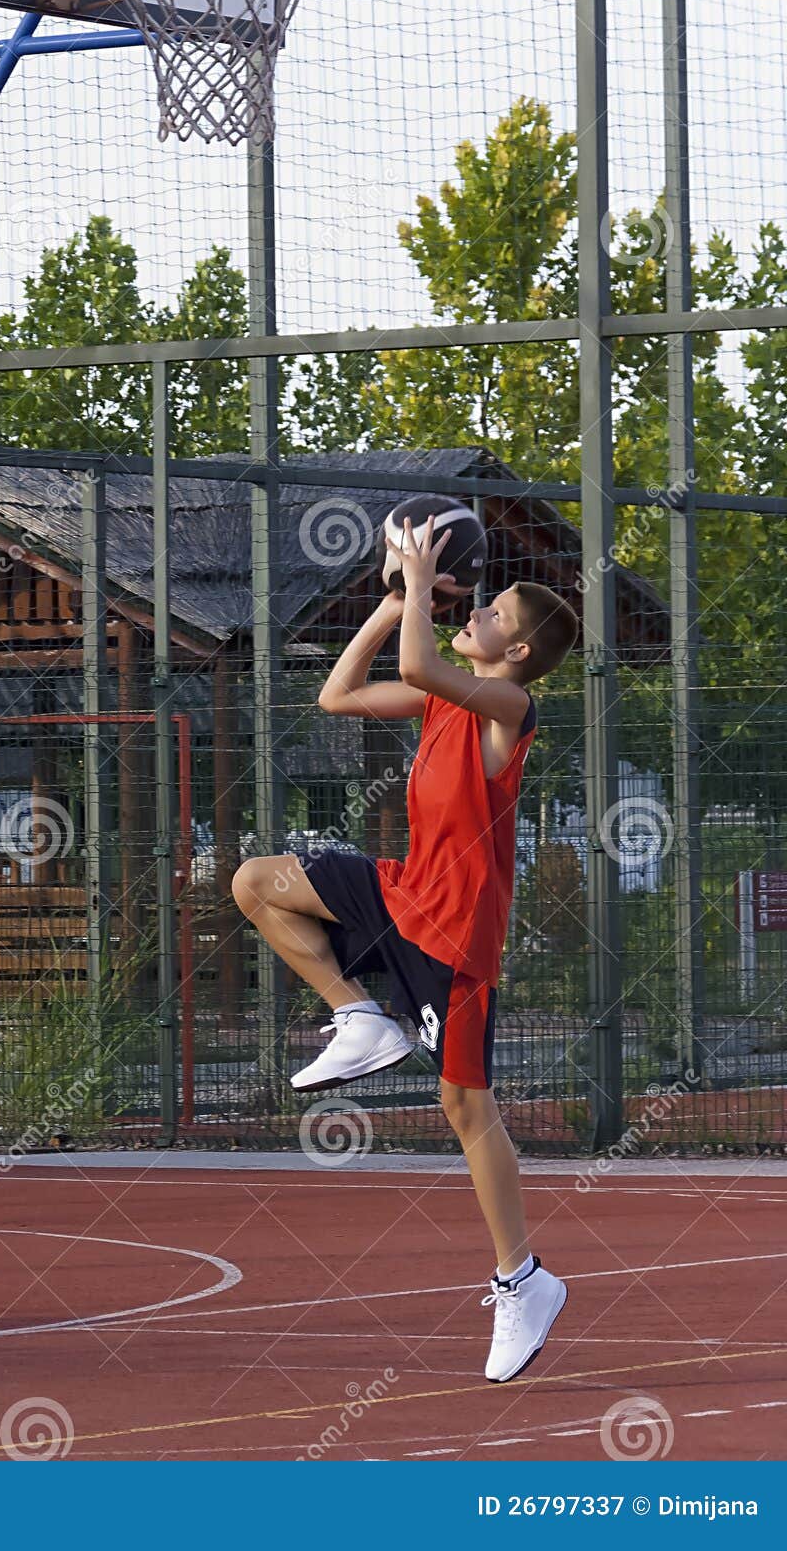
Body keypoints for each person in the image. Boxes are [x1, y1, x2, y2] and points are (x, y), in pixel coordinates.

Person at [232, 515, 579, 1382]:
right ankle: (358, 1016)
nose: (479, 612)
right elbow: (338, 695)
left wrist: (422, 582)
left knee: (468, 1112)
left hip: (457, 935)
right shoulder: (442, 696)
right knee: (255, 881)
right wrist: (394, 602)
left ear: (521, 651)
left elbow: (425, 665)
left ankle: (523, 1280)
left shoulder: (509, 708)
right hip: (404, 891)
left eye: (493, 612)